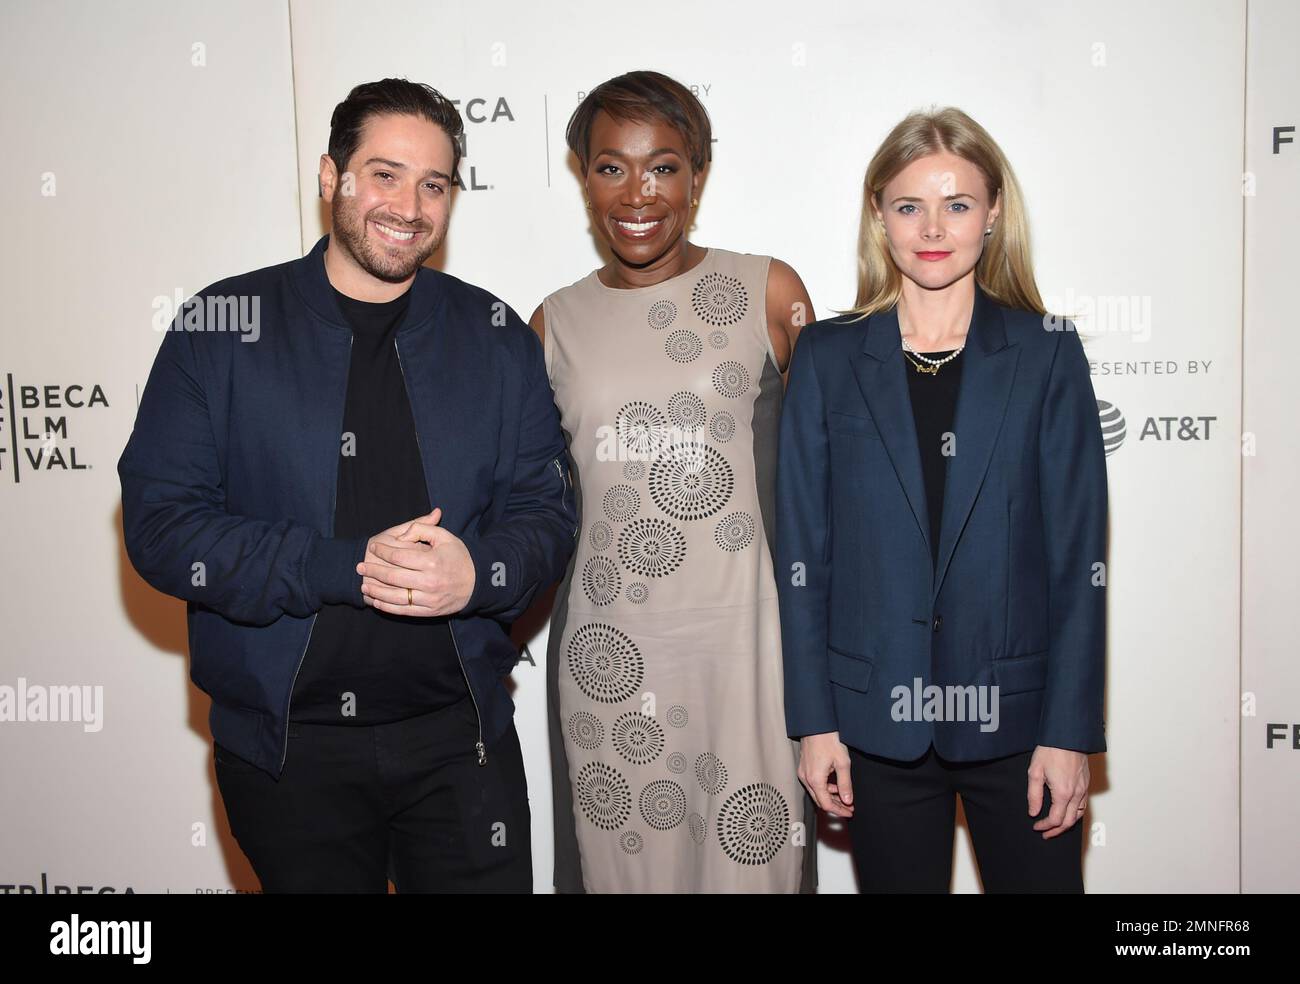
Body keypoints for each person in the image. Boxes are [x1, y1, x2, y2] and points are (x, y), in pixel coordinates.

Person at [118, 78, 576, 893]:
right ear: (331, 178)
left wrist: (479, 572)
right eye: (385, 174)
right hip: (290, 753)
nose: (409, 205)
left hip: (460, 742)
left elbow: (548, 510)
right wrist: (340, 566)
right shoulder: (222, 328)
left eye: (434, 184)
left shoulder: (495, 334)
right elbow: (162, 529)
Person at [776, 106, 1107, 893]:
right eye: (909, 205)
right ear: (878, 217)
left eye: (958, 204)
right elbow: (803, 557)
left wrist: (1070, 735)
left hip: (1021, 727)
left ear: (992, 215)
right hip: (873, 728)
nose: (934, 227)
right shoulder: (826, 356)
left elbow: (1077, 561)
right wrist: (814, 722)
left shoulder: (1048, 353)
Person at [532, 70, 816, 893]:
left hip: (749, 647)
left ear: (698, 173)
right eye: (611, 166)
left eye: (663, 165)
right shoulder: (552, 323)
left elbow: (829, 485)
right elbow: (529, 501)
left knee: (753, 859)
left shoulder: (769, 292)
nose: (638, 191)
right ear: (585, 176)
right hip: (608, 652)